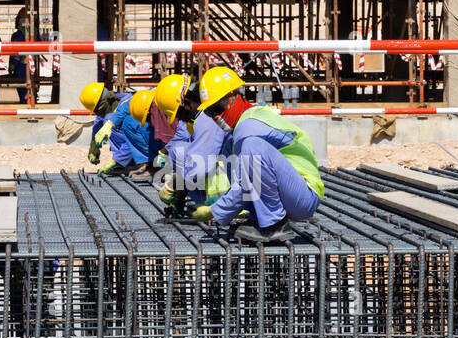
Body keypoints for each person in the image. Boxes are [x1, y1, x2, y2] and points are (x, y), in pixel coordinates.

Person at [190, 66, 324, 243]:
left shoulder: (248, 128)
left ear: (236, 97)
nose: (216, 115)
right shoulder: (243, 126)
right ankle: (259, 217)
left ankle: (274, 225)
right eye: (210, 111)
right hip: (292, 194)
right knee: (232, 151)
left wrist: (215, 211)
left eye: (218, 107)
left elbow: (243, 185)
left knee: (252, 148)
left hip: (304, 196)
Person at [147, 73, 230, 216]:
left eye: (178, 113)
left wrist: (175, 185)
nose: (179, 119)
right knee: (179, 150)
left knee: (186, 156)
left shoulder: (207, 119)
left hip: (232, 190)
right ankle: (202, 201)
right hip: (228, 174)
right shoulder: (202, 116)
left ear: (187, 103)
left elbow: (200, 166)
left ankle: (218, 205)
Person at [79, 81, 155, 176]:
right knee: (108, 122)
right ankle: (129, 162)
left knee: (116, 123)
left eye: (97, 111)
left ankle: (141, 163)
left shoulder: (131, 108)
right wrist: (93, 143)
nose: (98, 114)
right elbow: (99, 120)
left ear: (102, 105)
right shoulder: (114, 101)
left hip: (156, 140)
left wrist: (117, 161)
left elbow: (131, 139)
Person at [8, 8, 30, 103]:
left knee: (22, 89)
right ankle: (30, 105)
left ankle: (25, 107)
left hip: (21, 65)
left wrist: (13, 66)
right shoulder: (34, 31)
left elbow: (17, 51)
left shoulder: (20, 33)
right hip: (31, 64)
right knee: (29, 87)